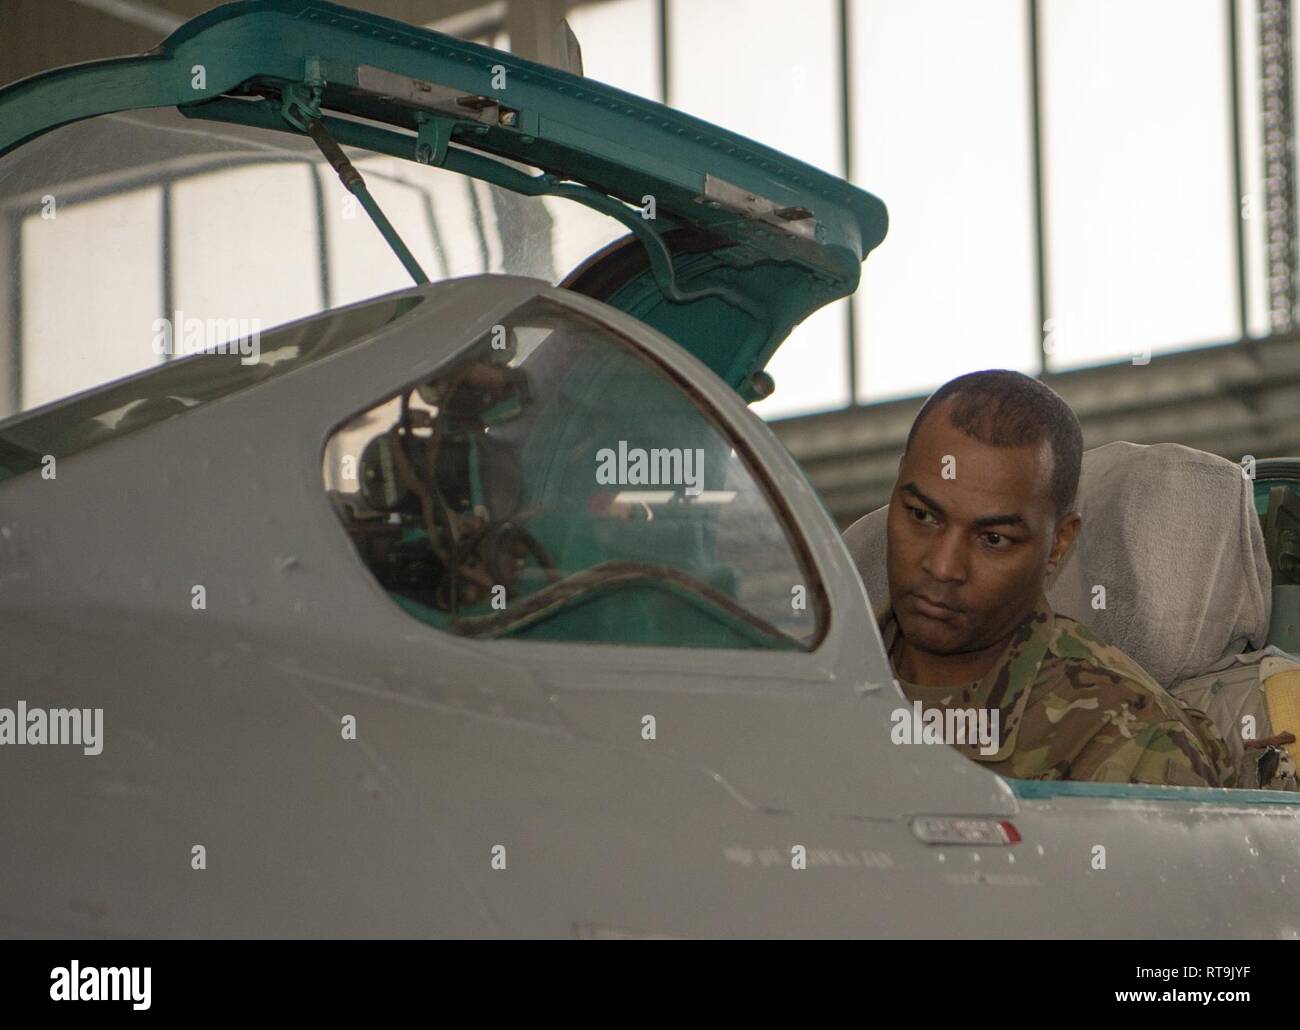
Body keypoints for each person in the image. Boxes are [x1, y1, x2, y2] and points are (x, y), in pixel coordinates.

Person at [874, 369, 1234, 786]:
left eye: (993, 539)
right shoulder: (807, 672)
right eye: (922, 515)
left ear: (1059, 543)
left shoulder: (1126, 737)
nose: (942, 566)